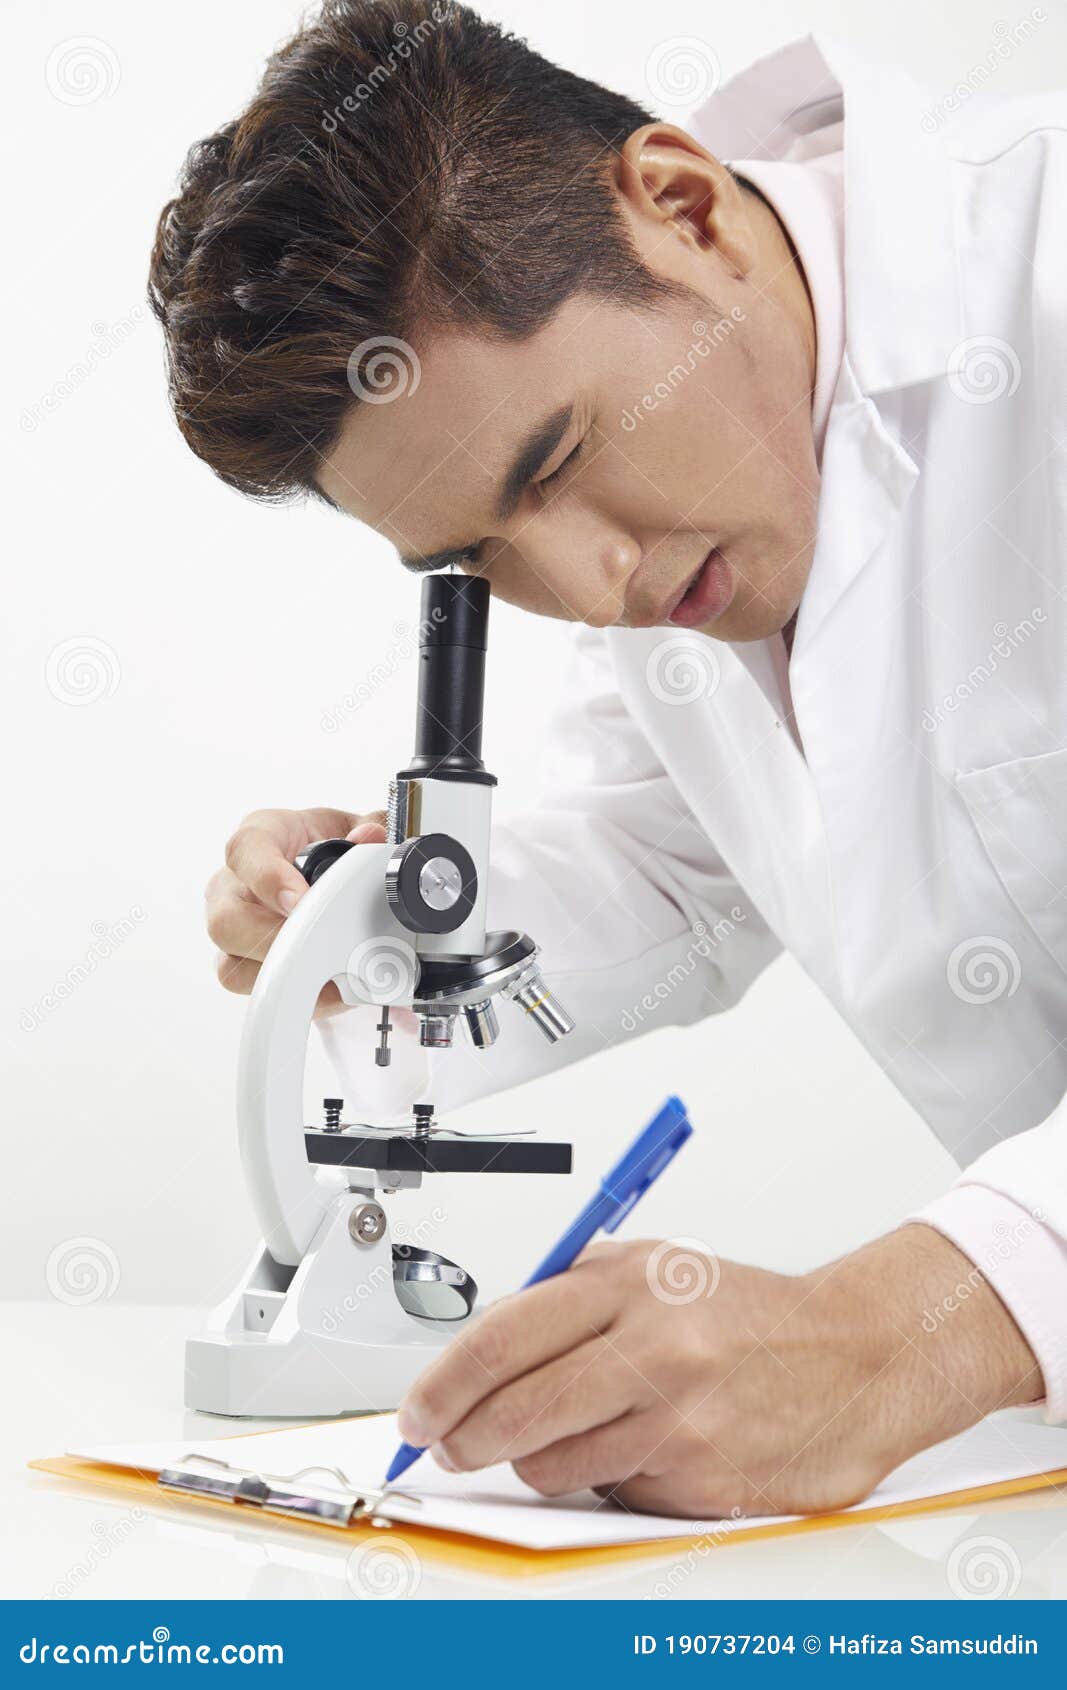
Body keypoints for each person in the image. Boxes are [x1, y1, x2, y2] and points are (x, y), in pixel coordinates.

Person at [150, 0, 1066, 1517]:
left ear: (684, 208)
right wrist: (385, 938)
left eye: (559, 460)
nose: (591, 587)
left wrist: (903, 1327)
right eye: (481, 555)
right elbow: (666, 869)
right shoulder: (683, 513)